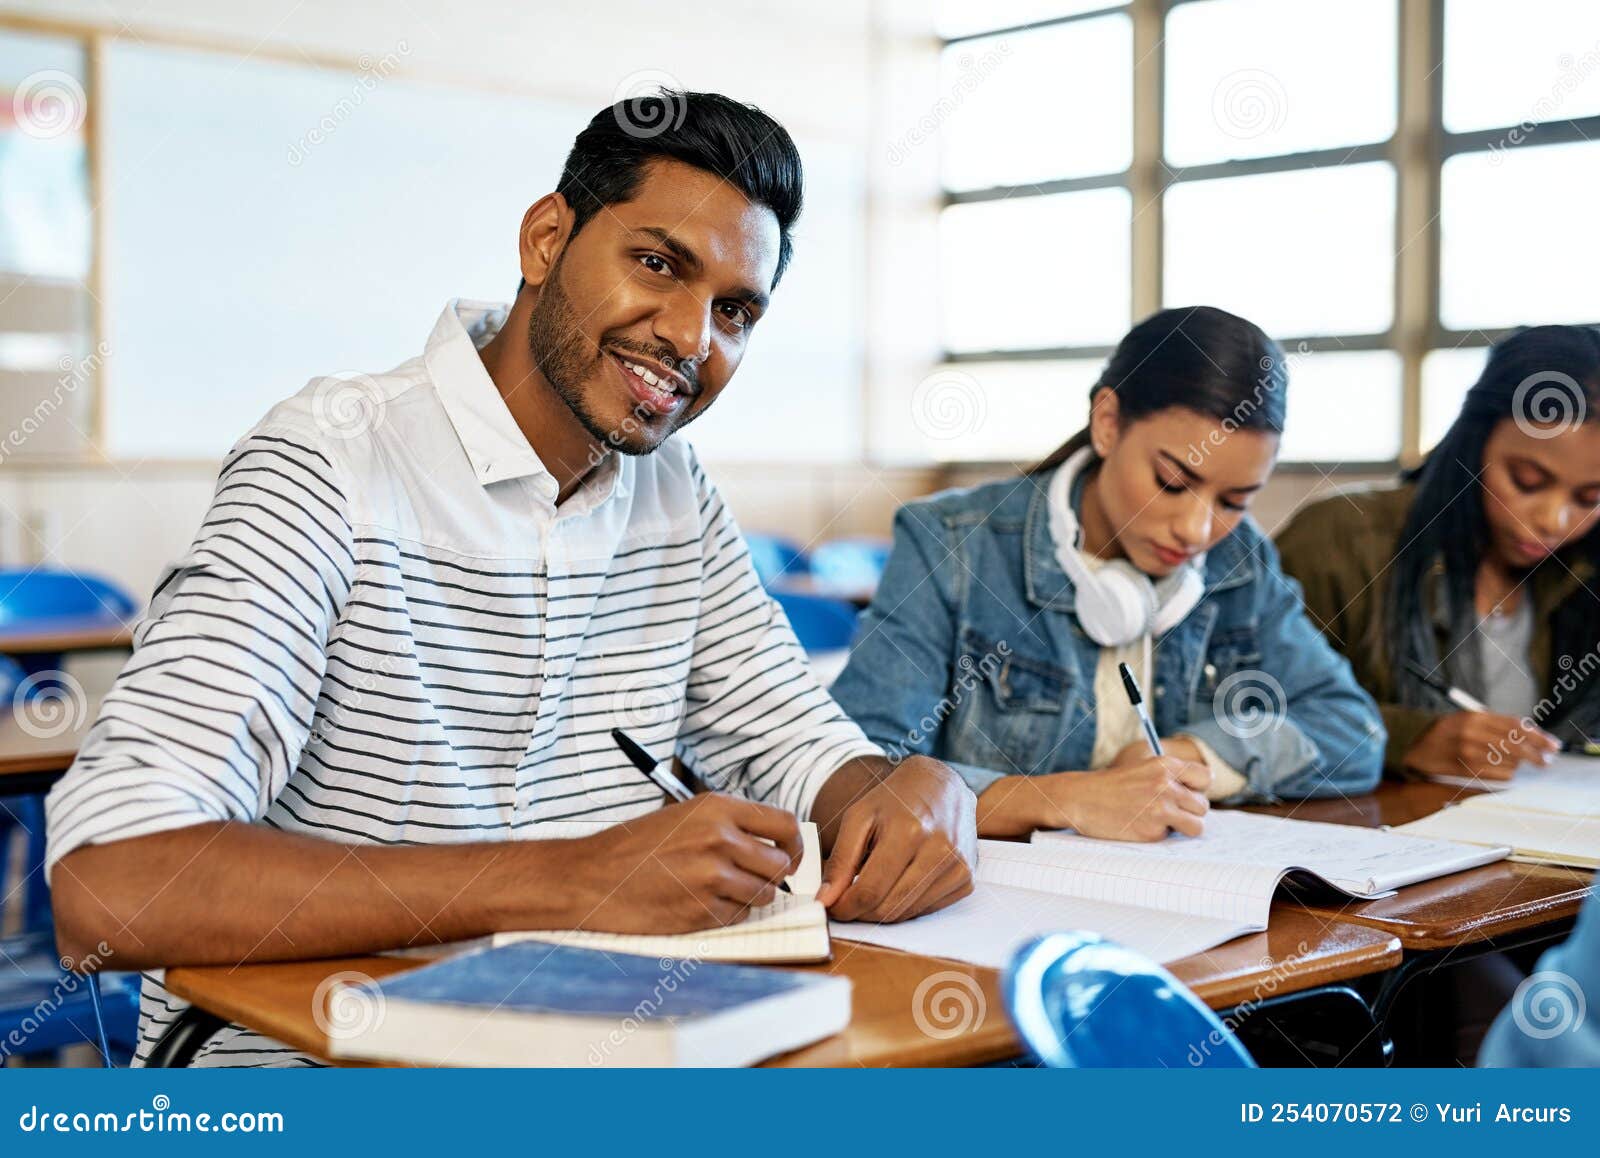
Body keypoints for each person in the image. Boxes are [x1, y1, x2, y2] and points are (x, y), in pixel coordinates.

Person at [45, 90, 976, 1067]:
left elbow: (797, 742)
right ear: (545, 240)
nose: (693, 338)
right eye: (657, 264)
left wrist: (906, 791)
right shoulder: (329, 461)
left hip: (583, 1059)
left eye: (735, 311)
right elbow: (112, 883)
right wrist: (573, 878)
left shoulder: (671, 492)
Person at [830, 306, 1384, 840]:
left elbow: (1354, 731)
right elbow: (859, 775)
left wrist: (1191, 755)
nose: (1196, 530)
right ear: (1107, 423)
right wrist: (1067, 799)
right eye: (1172, 481)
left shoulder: (1237, 562)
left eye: (1234, 500)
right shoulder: (952, 544)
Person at [1278, 326, 1600, 781]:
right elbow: (1246, 702)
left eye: (1589, 498)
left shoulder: (1585, 569)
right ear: (1473, 442)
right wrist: (1410, 739)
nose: (1553, 520)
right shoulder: (1343, 542)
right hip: (1369, 835)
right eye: (1527, 480)